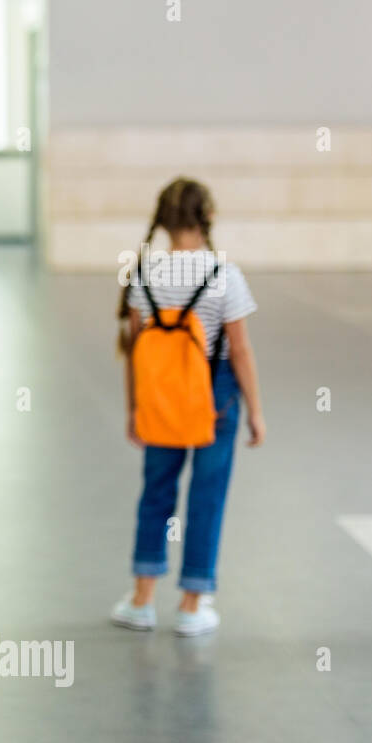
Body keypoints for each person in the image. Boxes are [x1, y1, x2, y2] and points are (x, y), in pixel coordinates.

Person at [110, 177, 265, 636]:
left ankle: (141, 600)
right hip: (214, 396)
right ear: (208, 217)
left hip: (160, 395)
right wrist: (255, 409)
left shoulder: (143, 275)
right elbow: (239, 351)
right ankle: (192, 605)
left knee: (156, 491)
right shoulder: (225, 276)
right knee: (206, 497)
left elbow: (137, 349)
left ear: (163, 221)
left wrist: (134, 408)